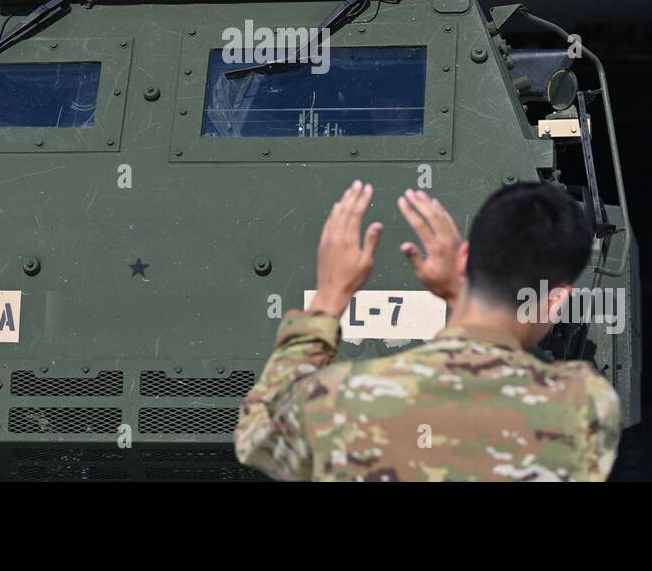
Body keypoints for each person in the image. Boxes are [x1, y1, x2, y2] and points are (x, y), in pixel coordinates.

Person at [234, 181, 621, 481]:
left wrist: (329, 298)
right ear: (555, 299)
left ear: (466, 257)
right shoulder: (584, 405)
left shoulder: (341, 399)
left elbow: (256, 438)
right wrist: (460, 294)